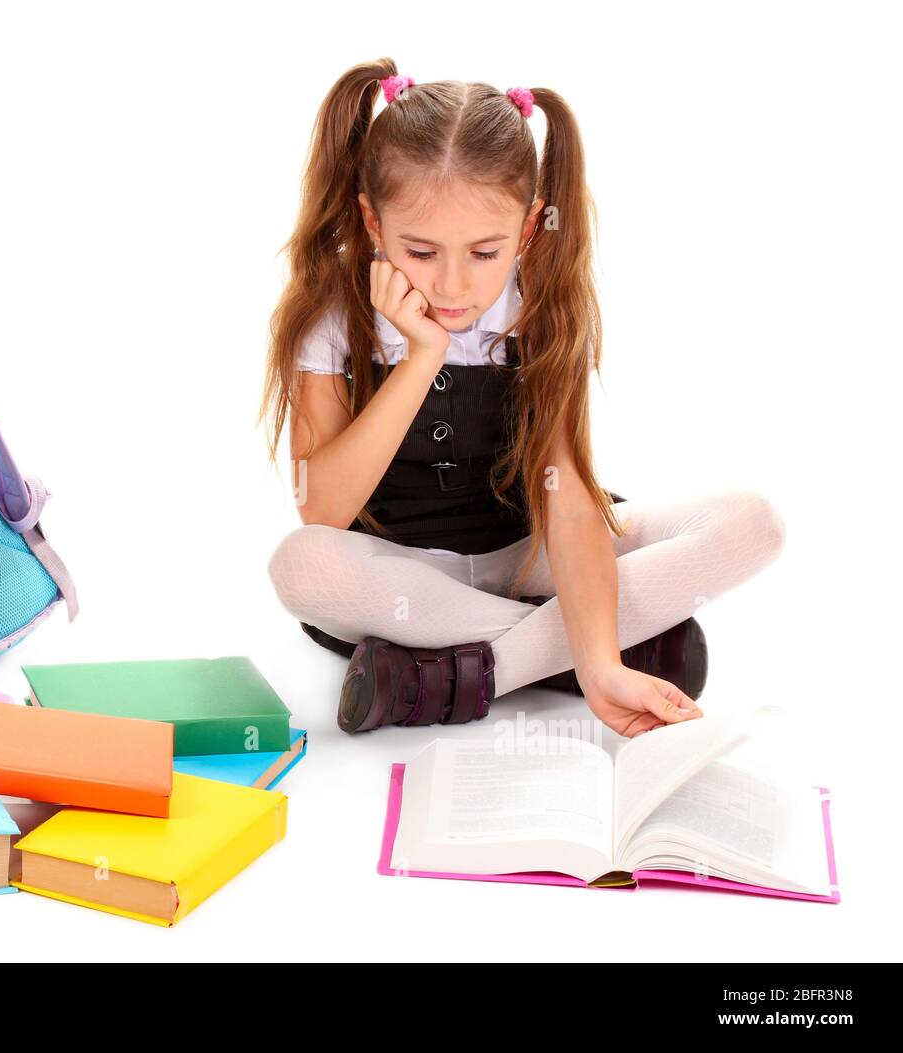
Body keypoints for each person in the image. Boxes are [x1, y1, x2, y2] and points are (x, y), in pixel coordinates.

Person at [259, 61, 786, 738]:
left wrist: (599, 666)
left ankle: (459, 674)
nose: (453, 284)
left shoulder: (540, 306)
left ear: (530, 226)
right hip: (402, 571)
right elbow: (323, 508)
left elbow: (567, 498)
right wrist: (423, 356)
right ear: (372, 220)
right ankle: (573, 648)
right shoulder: (332, 308)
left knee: (752, 524)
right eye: (421, 251)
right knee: (300, 565)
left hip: (525, 554)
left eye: (485, 252)